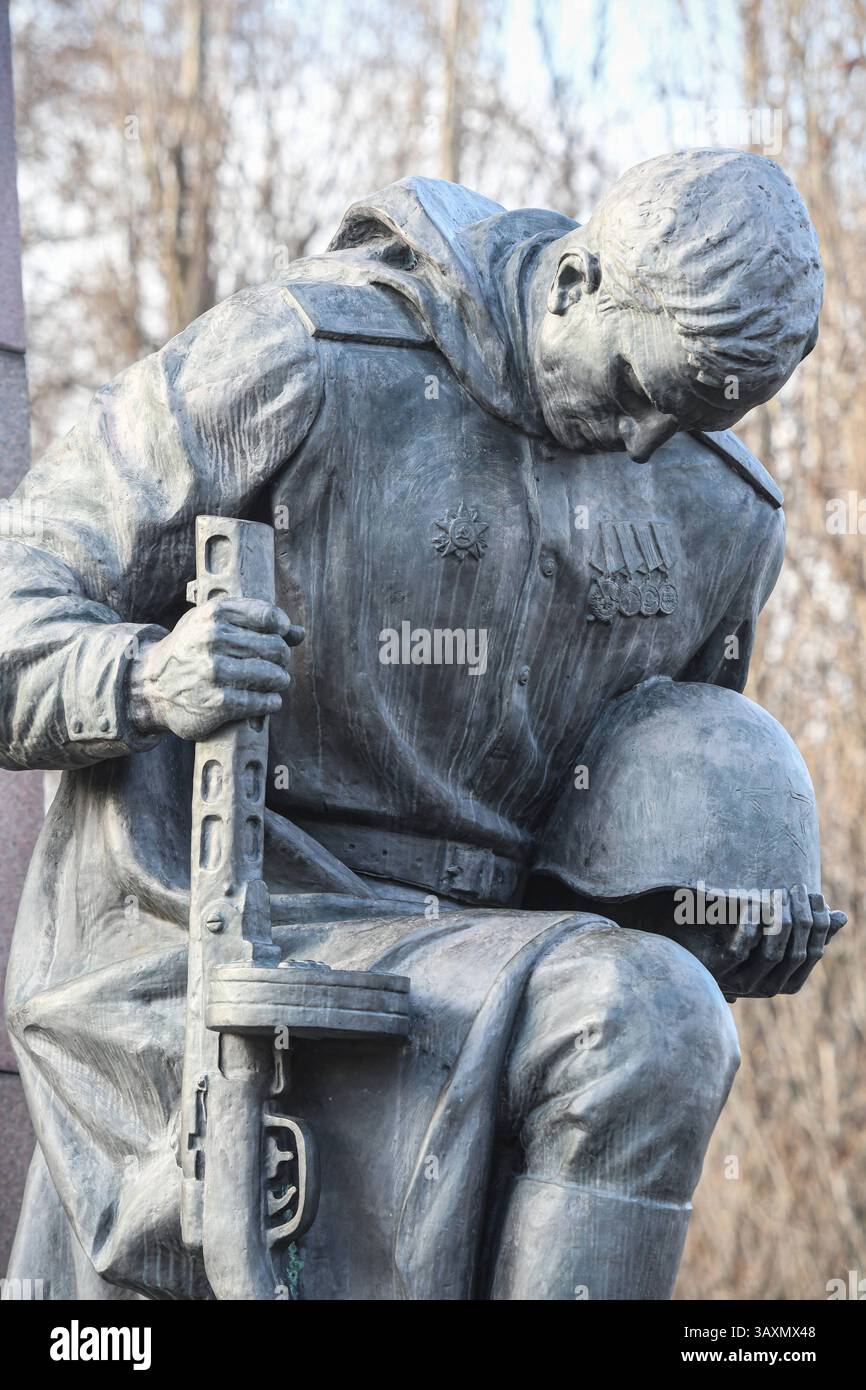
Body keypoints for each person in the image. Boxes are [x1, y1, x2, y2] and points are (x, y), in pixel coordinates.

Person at [0, 149, 842, 1299]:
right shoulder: (303, 357)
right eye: (640, 388)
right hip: (227, 912)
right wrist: (148, 675)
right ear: (572, 284)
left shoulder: (719, 509)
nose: (646, 444)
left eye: (693, 415)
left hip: (488, 951)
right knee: (632, 1008)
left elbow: (620, 831)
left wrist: (705, 912)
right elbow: (18, 599)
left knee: (658, 1010)